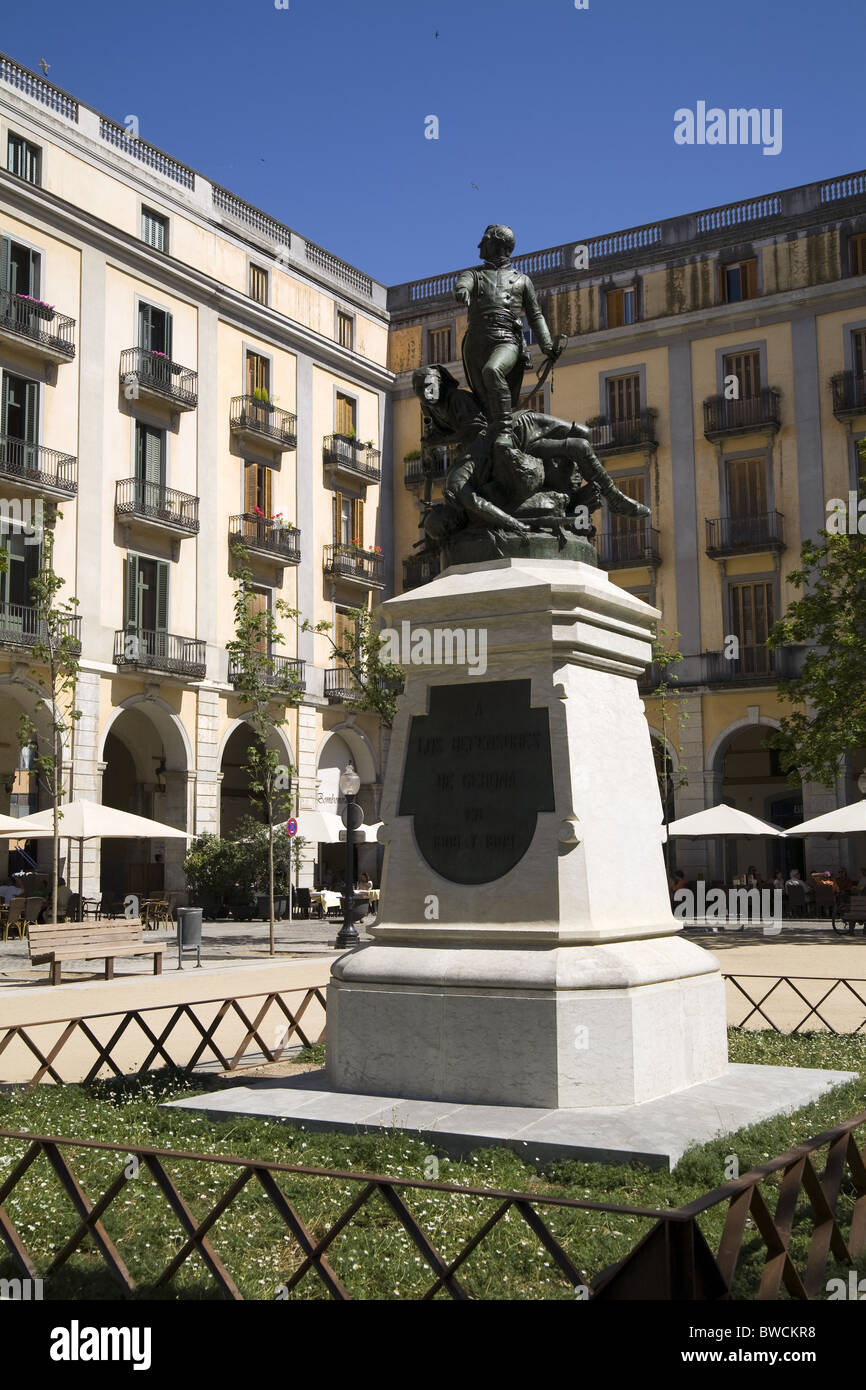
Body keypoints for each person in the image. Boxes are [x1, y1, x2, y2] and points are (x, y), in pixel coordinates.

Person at [455, 224, 561, 451]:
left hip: (506, 339)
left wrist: (547, 345)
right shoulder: (474, 275)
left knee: (493, 371)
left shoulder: (522, 280)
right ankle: (488, 441)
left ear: (498, 244)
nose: (479, 246)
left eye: (485, 240)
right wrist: (462, 290)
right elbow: (464, 283)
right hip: (476, 342)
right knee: (484, 401)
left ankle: (504, 431)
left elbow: (535, 315)